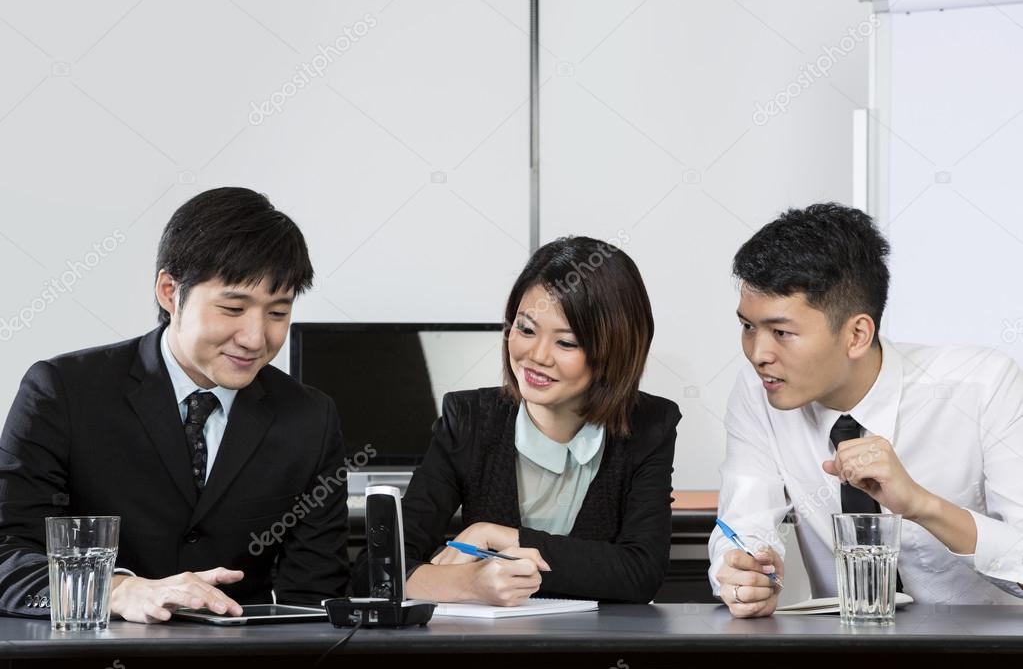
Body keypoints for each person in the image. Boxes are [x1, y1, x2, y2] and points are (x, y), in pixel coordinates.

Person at [0, 187, 350, 622]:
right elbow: (8, 554)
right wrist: (117, 590)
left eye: (277, 313)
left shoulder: (309, 418)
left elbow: (313, 596)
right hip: (85, 658)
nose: (256, 339)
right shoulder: (62, 392)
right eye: (233, 308)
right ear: (170, 291)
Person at [710, 202, 1023, 618]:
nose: (758, 354)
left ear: (857, 334)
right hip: (847, 655)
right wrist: (744, 573)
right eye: (748, 327)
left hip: (984, 658)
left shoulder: (982, 385)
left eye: (781, 332)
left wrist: (920, 505)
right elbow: (744, 522)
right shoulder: (758, 394)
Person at [354, 236, 681, 605]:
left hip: (599, 653)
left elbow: (640, 574)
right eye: (525, 329)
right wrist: (469, 583)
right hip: (488, 656)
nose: (536, 356)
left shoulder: (650, 426)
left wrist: (493, 536)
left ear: (615, 350)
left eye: (566, 343)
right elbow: (376, 573)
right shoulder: (469, 421)